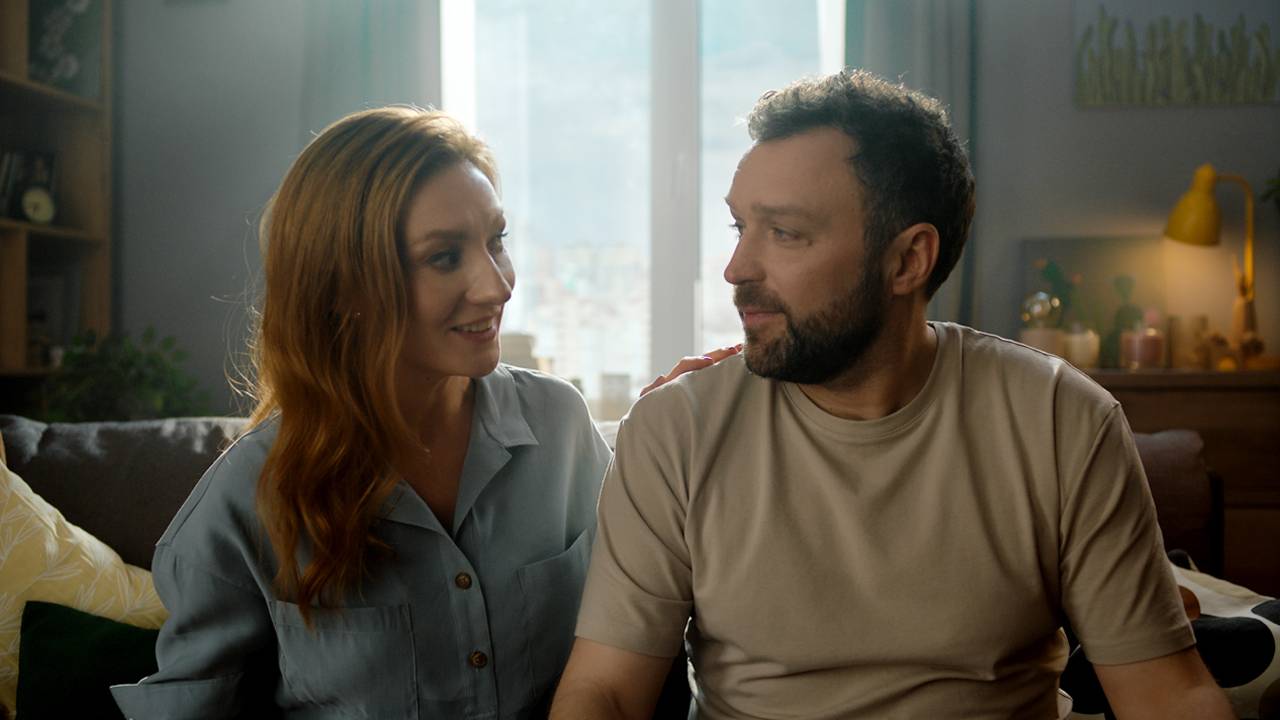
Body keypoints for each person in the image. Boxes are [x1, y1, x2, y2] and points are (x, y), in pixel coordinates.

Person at [550, 70, 1234, 719]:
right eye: (740, 227)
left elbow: (1167, 695)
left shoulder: (1061, 419)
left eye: (784, 233)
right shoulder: (677, 429)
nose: (737, 268)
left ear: (908, 260)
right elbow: (605, 691)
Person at [110, 106, 618, 718]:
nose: (497, 286)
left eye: (496, 241)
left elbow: (642, 630)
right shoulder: (248, 499)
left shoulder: (561, 426)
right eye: (444, 257)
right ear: (344, 287)